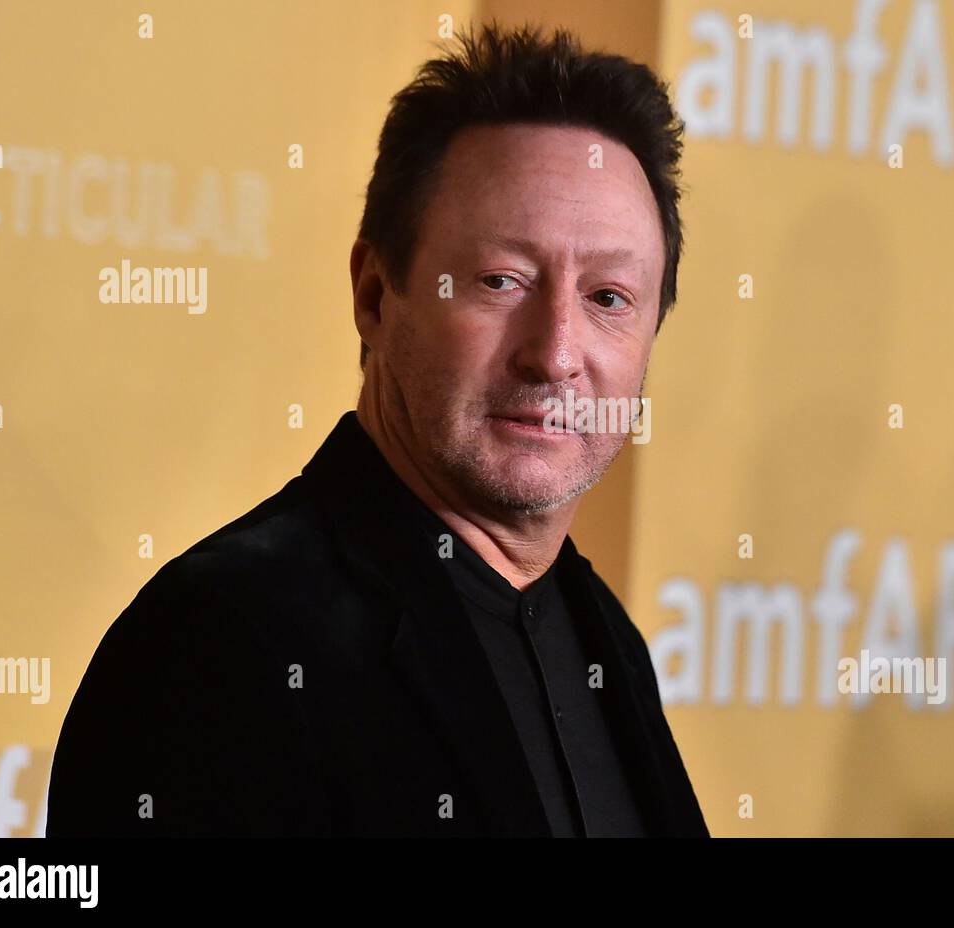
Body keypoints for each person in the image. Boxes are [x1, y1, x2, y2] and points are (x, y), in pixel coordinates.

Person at [46, 22, 707, 837]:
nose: (556, 354)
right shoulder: (218, 641)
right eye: (501, 281)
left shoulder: (607, 637)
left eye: (608, 298)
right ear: (373, 295)